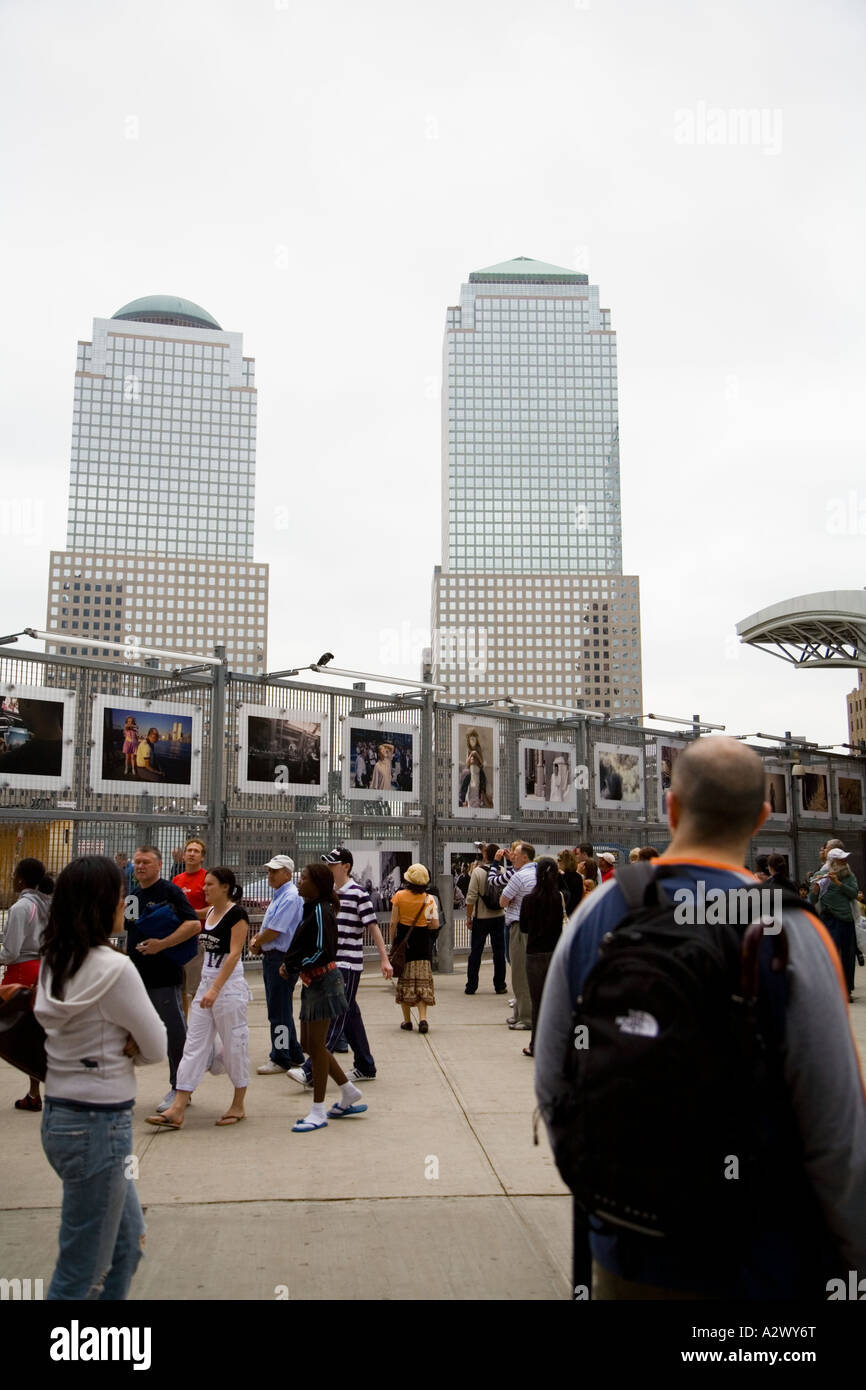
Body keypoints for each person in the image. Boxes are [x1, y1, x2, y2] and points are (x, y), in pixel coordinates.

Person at [535, 736, 866, 1299]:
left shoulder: (598, 913)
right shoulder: (792, 930)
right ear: (762, 816)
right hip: (757, 1257)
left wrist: (611, 1201)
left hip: (627, 1251)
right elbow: (836, 1129)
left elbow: (552, 1083)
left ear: (671, 806)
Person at [34, 856, 167, 1300]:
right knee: (79, 1270)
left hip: (61, 1119)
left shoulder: (54, 960)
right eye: (118, 894)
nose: (123, 903)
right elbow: (156, 1045)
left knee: (126, 1247)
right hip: (99, 1127)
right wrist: (128, 1043)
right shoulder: (115, 969)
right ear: (102, 903)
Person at [146, 867, 251, 1130]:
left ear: (225, 887)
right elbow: (190, 916)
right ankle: (178, 1107)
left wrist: (215, 989)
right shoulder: (210, 913)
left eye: (210, 884)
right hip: (206, 985)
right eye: (204, 884)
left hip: (227, 989)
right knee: (193, 1045)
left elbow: (235, 954)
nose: (204, 889)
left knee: (234, 1044)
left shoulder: (236, 915)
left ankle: (238, 1104)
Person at [288, 848, 393, 1090]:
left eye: (332, 864)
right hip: (331, 965)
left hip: (347, 965)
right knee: (350, 1015)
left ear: (345, 866)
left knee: (334, 1017)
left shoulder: (358, 894)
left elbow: (373, 927)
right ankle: (365, 1065)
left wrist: (384, 959)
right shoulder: (327, 894)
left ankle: (311, 1071)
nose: (328, 868)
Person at [281, 863, 365, 1132]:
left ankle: (318, 1111)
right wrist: (293, 965)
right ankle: (347, 1090)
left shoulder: (321, 911)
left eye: (304, 878)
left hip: (323, 984)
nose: (300, 881)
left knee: (316, 1047)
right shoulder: (312, 908)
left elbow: (323, 951)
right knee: (309, 1043)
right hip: (312, 983)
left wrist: (295, 966)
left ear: (317, 884)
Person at [125, 845, 201, 1113]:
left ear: (158, 865)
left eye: (145, 862)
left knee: (174, 1030)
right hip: (136, 975)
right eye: (137, 862)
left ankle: (180, 1088)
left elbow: (193, 924)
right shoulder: (133, 896)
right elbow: (129, 929)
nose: (140, 867)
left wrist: (163, 944)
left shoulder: (170, 891)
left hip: (165, 974)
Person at [2, 857, 54, 1111]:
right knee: (31, 1034)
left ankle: (35, 1094)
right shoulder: (46, 904)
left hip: (20, 971)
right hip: (41, 969)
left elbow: (11, 952)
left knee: (13, 1032)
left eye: (14, 874)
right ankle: (34, 1093)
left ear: (21, 879)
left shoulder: (21, 906)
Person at [248, 855, 305, 1073]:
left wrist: (257, 941)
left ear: (288, 874)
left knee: (278, 1011)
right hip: (274, 956)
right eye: (270, 870)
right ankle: (294, 1052)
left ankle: (280, 1056)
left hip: (280, 958)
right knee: (281, 1008)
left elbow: (275, 930)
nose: (270, 874)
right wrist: (260, 944)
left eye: (275, 871)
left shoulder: (290, 897)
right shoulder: (281, 895)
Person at [519, 857, 565, 1058]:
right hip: (555, 952)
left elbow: (523, 927)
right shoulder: (559, 898)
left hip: (535, 953)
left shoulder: (529, 900)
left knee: (537, 1001)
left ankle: (536, 1044)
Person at [390, 864, 440, 1033]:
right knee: (422, 981)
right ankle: (423, 1018)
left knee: (405, 982)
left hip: (406, 945)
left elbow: (393, 923)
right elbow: (435, 925)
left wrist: (393, 942)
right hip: (423, 944)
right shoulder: (429, 899)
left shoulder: (398, 896)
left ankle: (407, 1021)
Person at [810, 848, 860, 1000]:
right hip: (829, 920)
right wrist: (816, 890)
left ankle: (847, 989)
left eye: (845, 859)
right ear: (832, 862)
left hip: (846, 920)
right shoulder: (820, 875)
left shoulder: (848, 876)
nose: (845, 862)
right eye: (841, 860)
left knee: (848, 956)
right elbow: (812, 900)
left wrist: (838, 883)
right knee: (831, 956)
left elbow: (853, 893)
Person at [499, 843, 537, 1031]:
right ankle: (520, 1013)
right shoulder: (539, 874)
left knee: (519, 973)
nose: (512, 856)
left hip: (518, 927)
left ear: (525, 857)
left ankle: (526, 1017)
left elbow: (502, 900)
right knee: (531, 972)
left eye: (516, 854)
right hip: (537, 928)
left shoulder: (519, 876)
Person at [173, 838, 209, 1018]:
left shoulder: (207, 879)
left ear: (202, 857)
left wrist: (190, 914)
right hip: (177, 941)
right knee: (179, 989)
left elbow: (213, 909)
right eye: (189, 850)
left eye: (196, 851)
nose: (192, 854)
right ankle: (183, 1025)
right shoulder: (177, 880)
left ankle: (198, 1027)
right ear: (184, 854)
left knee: (196, 990)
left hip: (197, 942)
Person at [465, 843, 508, 996]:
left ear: (485, 855)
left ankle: (471, 986)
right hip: (499, 916)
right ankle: (500, 985)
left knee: (476, 952)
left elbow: (471, 898)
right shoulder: (502, 871)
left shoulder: (477, 872)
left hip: (481, 918)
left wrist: (469, 917)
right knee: (499, 952)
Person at [557, 849, 584, 918]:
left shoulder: (560, 877)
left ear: (565, 862)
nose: (557, 862)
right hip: (574, 914)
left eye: (559, 860)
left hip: (562, 915)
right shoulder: (579, 877)